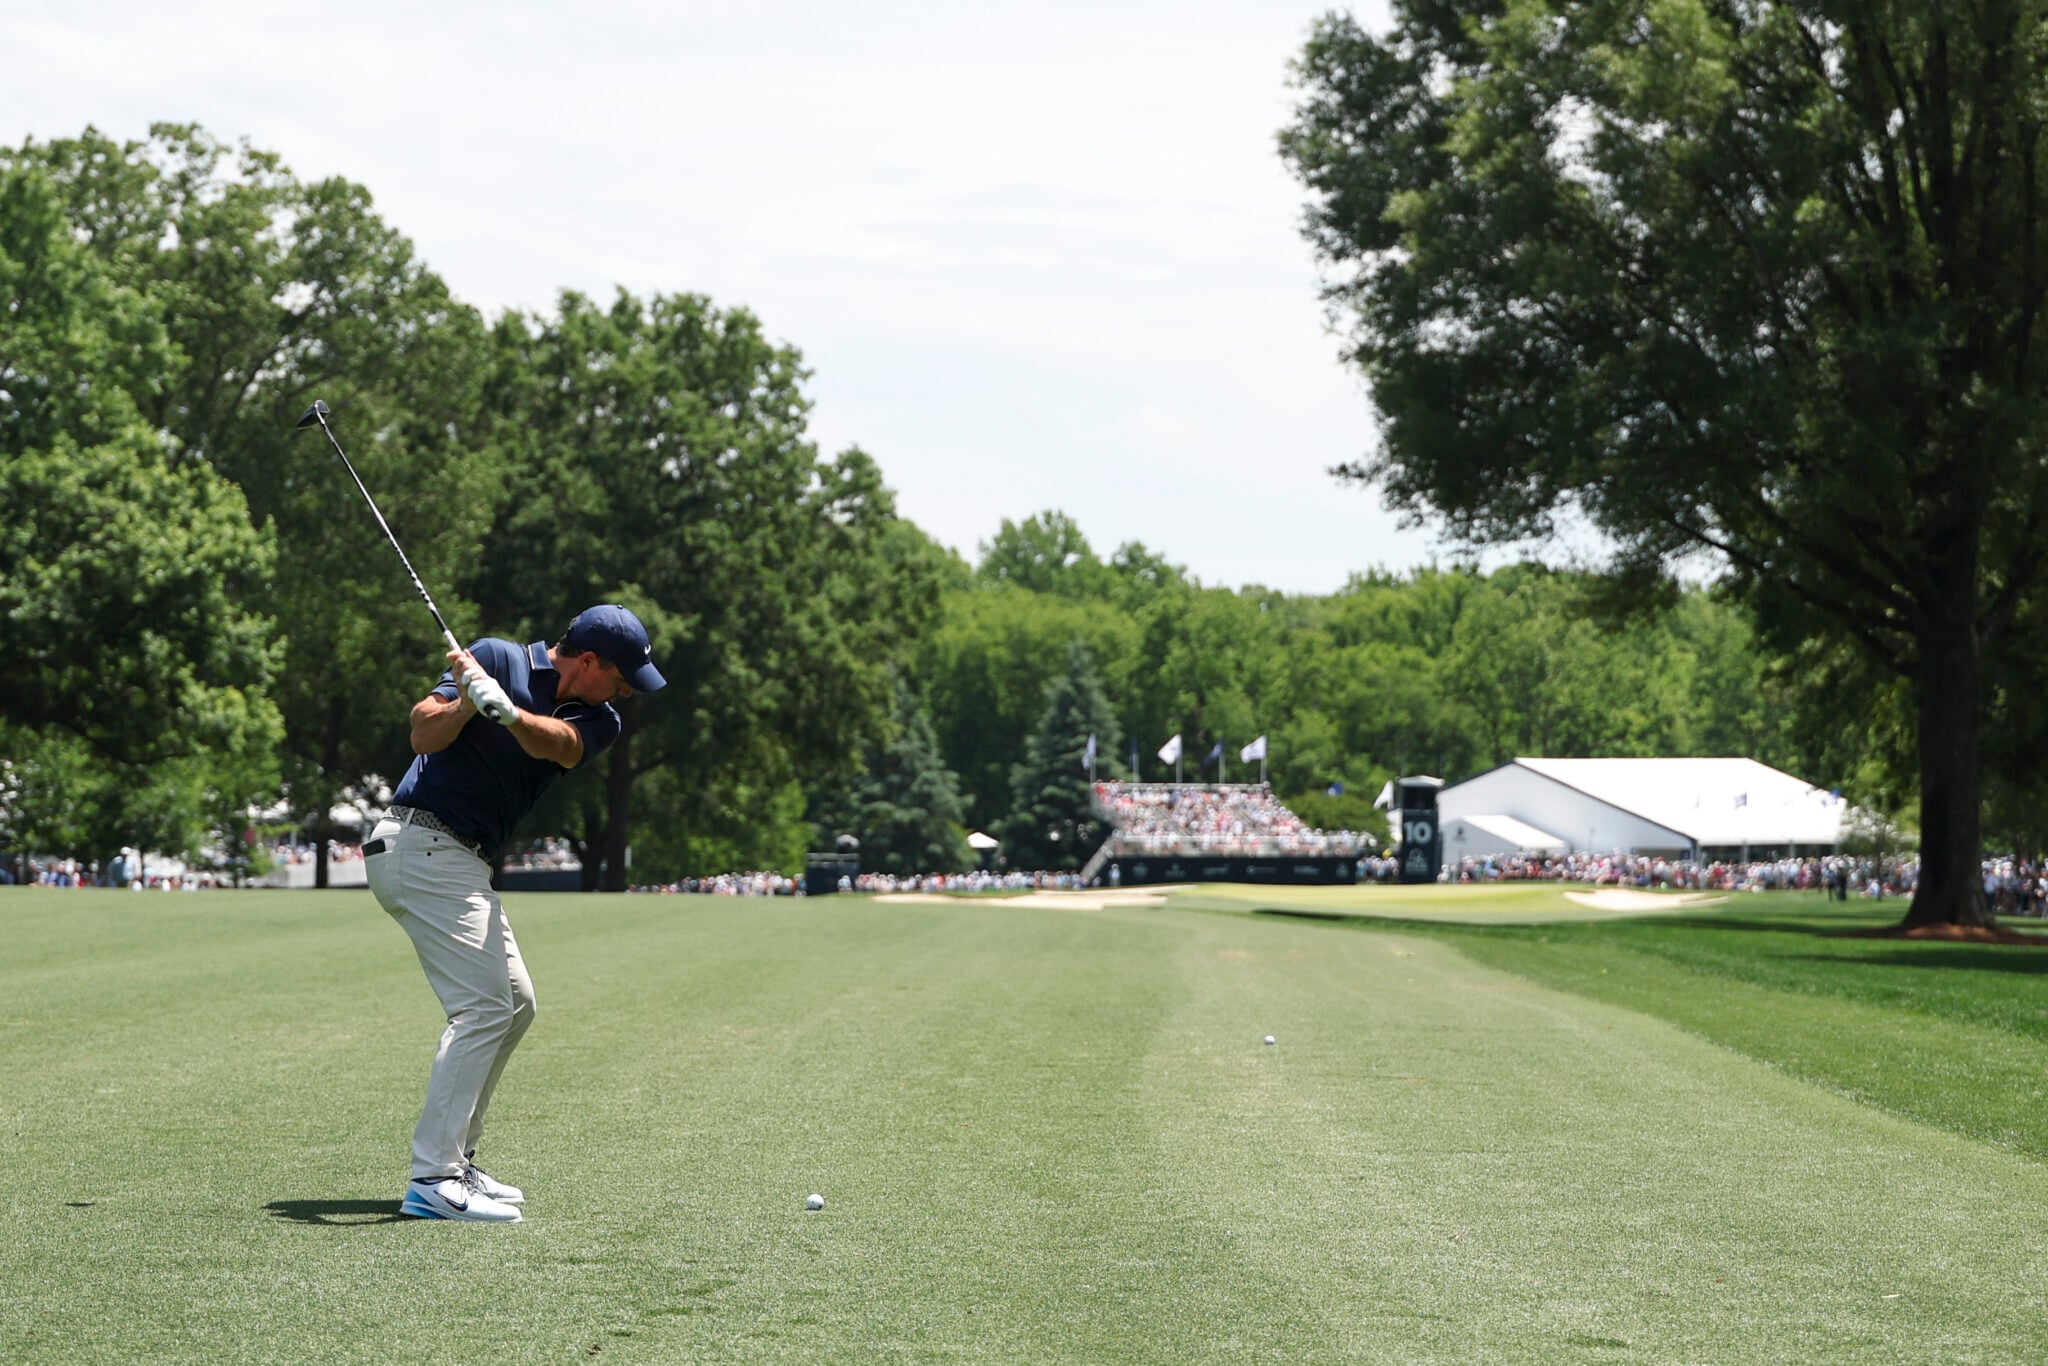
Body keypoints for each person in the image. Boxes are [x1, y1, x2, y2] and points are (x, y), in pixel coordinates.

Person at [365, 604, 665, 1223]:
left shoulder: (596, 716)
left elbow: (561, 746)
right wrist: (470, 702)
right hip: (420, 843)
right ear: (589, 662)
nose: (628, 691)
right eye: (623, 676)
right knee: (482, 1008)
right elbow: (424, 733)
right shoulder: (498, 656)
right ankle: (433, 1178)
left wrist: (507, 710)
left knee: (515, 1004)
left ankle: (460, 1159)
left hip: (458, 859)